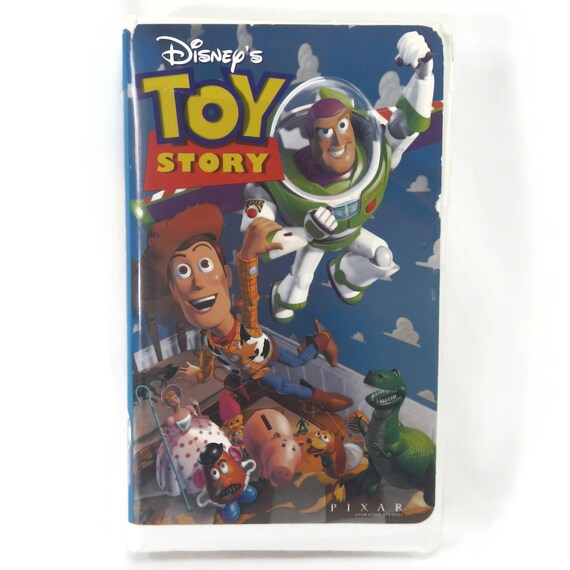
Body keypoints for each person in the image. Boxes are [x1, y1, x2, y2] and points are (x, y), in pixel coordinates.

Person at [240, 31, 435, 323]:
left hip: (350, 232)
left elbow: (409, 123)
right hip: (311, 239)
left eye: (342, 126)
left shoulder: (373, 154)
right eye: (325, 132)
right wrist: (307, 232)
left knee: (382, 258)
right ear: (311, 137)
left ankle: (346, 276)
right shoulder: (276, 178)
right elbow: (258, 241)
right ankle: (282, 295)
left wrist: (423, 75)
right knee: (297, 293)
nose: (337, 141)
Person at [142, 203, 352, 412]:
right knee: (282, 386)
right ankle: (322, 399)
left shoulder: (246, 327)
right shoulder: (209, 345)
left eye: (205, 264)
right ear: (175, 293)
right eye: (183, 271)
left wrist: (247, 256)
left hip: (268, 351)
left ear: (226, 276)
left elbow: (250, 294)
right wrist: (197, 375)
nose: (198, 283)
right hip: (255, 372)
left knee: (298, 361)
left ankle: (323, 339)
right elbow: (206, 371)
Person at [155, 385, 231, 496]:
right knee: (188, 461)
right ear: (169, 404)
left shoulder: (188, 409)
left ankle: (223, 468)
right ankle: (202, 482)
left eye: (175, 398)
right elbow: (170, 433)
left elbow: (198, 417)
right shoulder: (171, 419)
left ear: (178, 397)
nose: (175, 401)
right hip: (182, 440)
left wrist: (197, 407)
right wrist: (163, 434)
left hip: (196, 432)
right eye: (171, 401)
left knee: (208, 443)